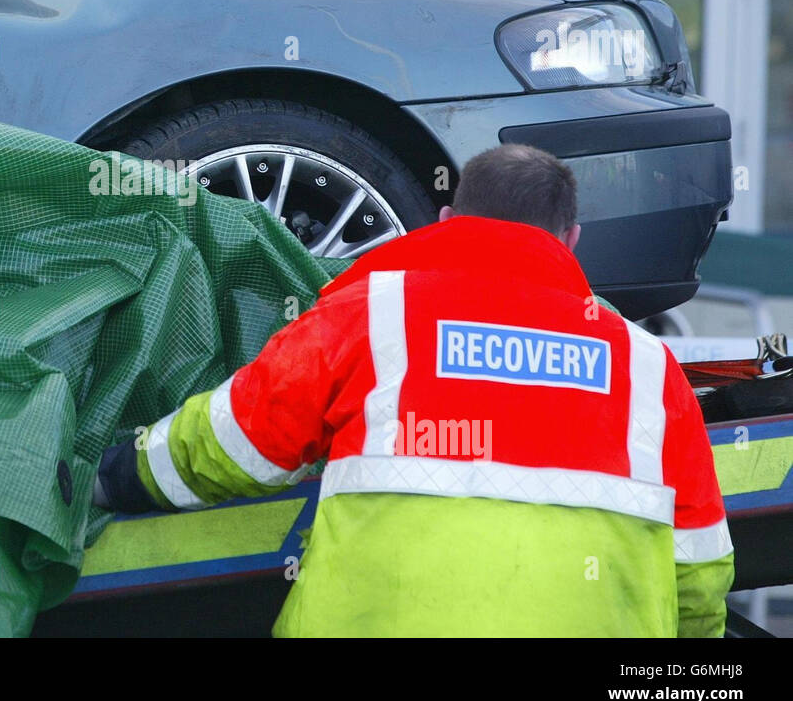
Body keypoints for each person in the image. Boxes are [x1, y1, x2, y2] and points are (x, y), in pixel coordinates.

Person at [93, 143, 734, 636]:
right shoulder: (649, 367)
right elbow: (700, 578)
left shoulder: (373, 314)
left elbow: (236, 439)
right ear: (570, 240)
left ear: (450, 219)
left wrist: (120, 475)